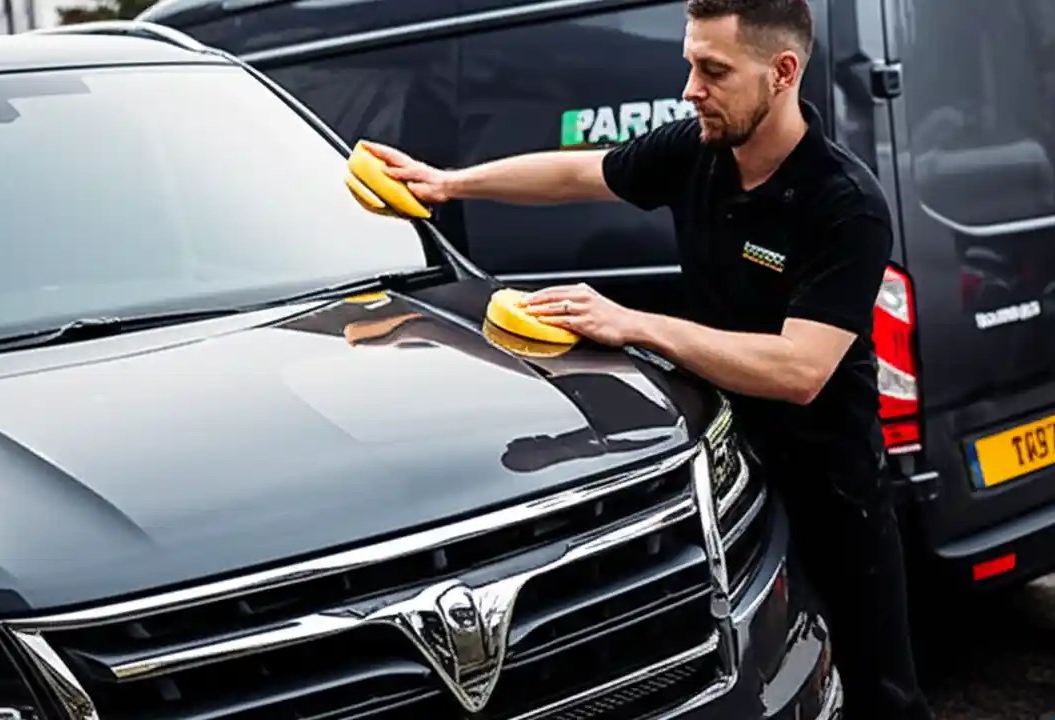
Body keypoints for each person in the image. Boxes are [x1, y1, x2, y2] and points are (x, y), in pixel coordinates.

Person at [361, 0, 935, 717]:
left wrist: (635, 324)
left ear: (783, 72)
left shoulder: (844, 203)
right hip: (723, 473)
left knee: (880, 695)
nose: (691, 88)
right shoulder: (697, 152)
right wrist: (449, 184)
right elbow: (580, 174)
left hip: (833, 496)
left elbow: (799, 370)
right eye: (690, 64)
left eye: (714, 70)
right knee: (754, 685)